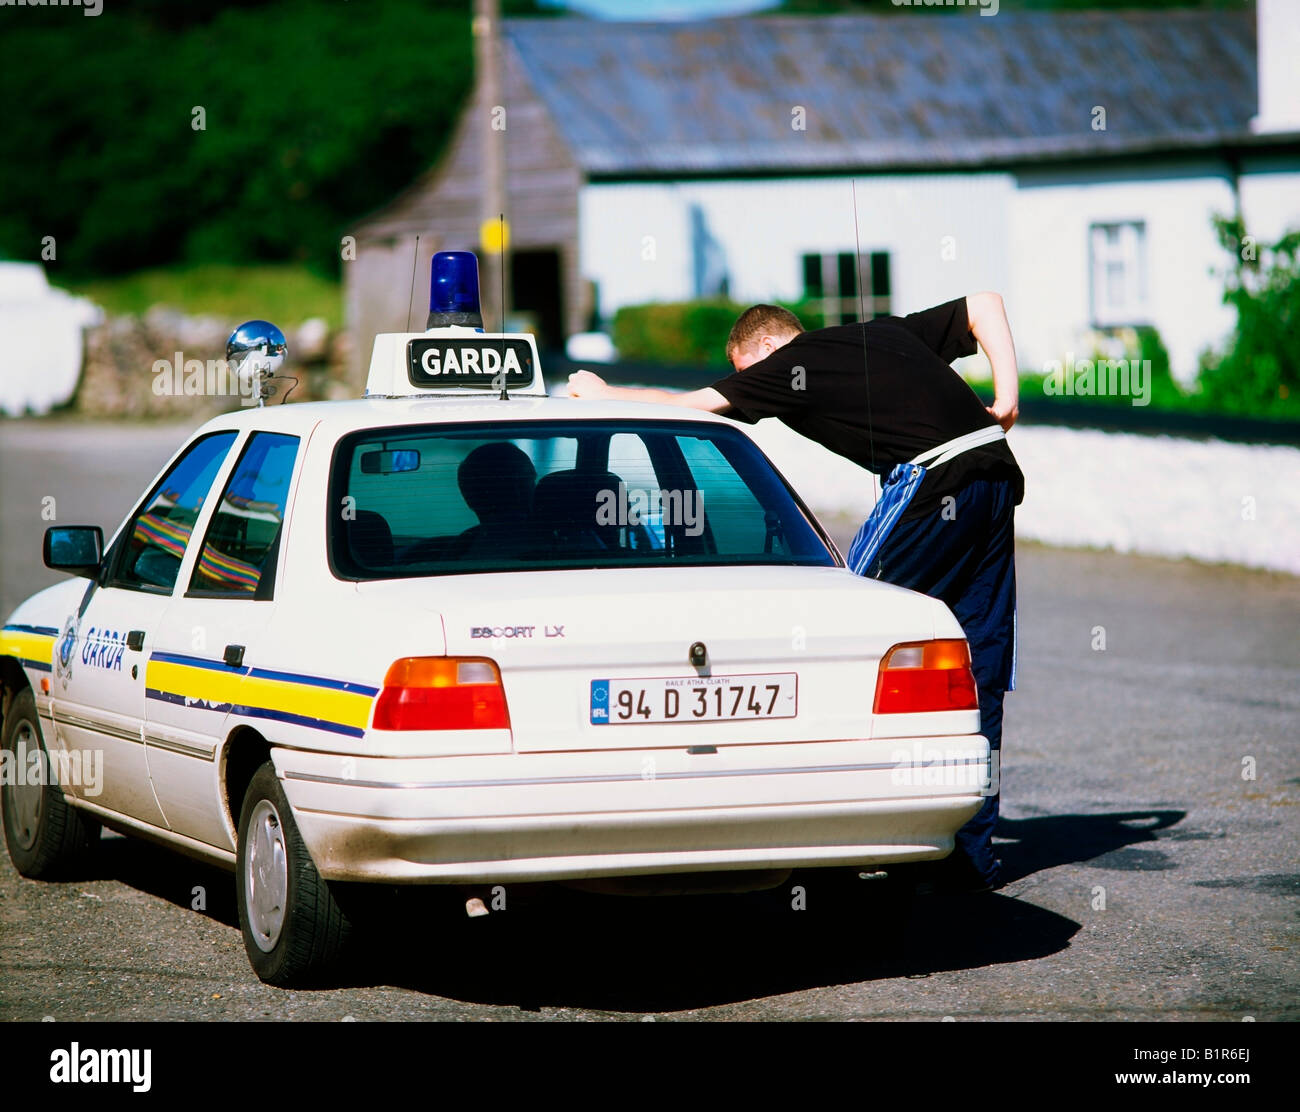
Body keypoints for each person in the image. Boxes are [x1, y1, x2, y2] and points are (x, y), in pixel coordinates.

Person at [567, 293, 1023, 892]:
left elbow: (690, 406)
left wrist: (604, 396)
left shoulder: (786, 364)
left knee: (855, 635)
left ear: (763, 348)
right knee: (977, 667)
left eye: (742, 369)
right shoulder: (881, 334)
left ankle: (847, 832)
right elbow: (984, 304)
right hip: (994, 476)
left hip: (933, 481)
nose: (746, 385)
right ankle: (971, 860)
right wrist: (1008, 396)